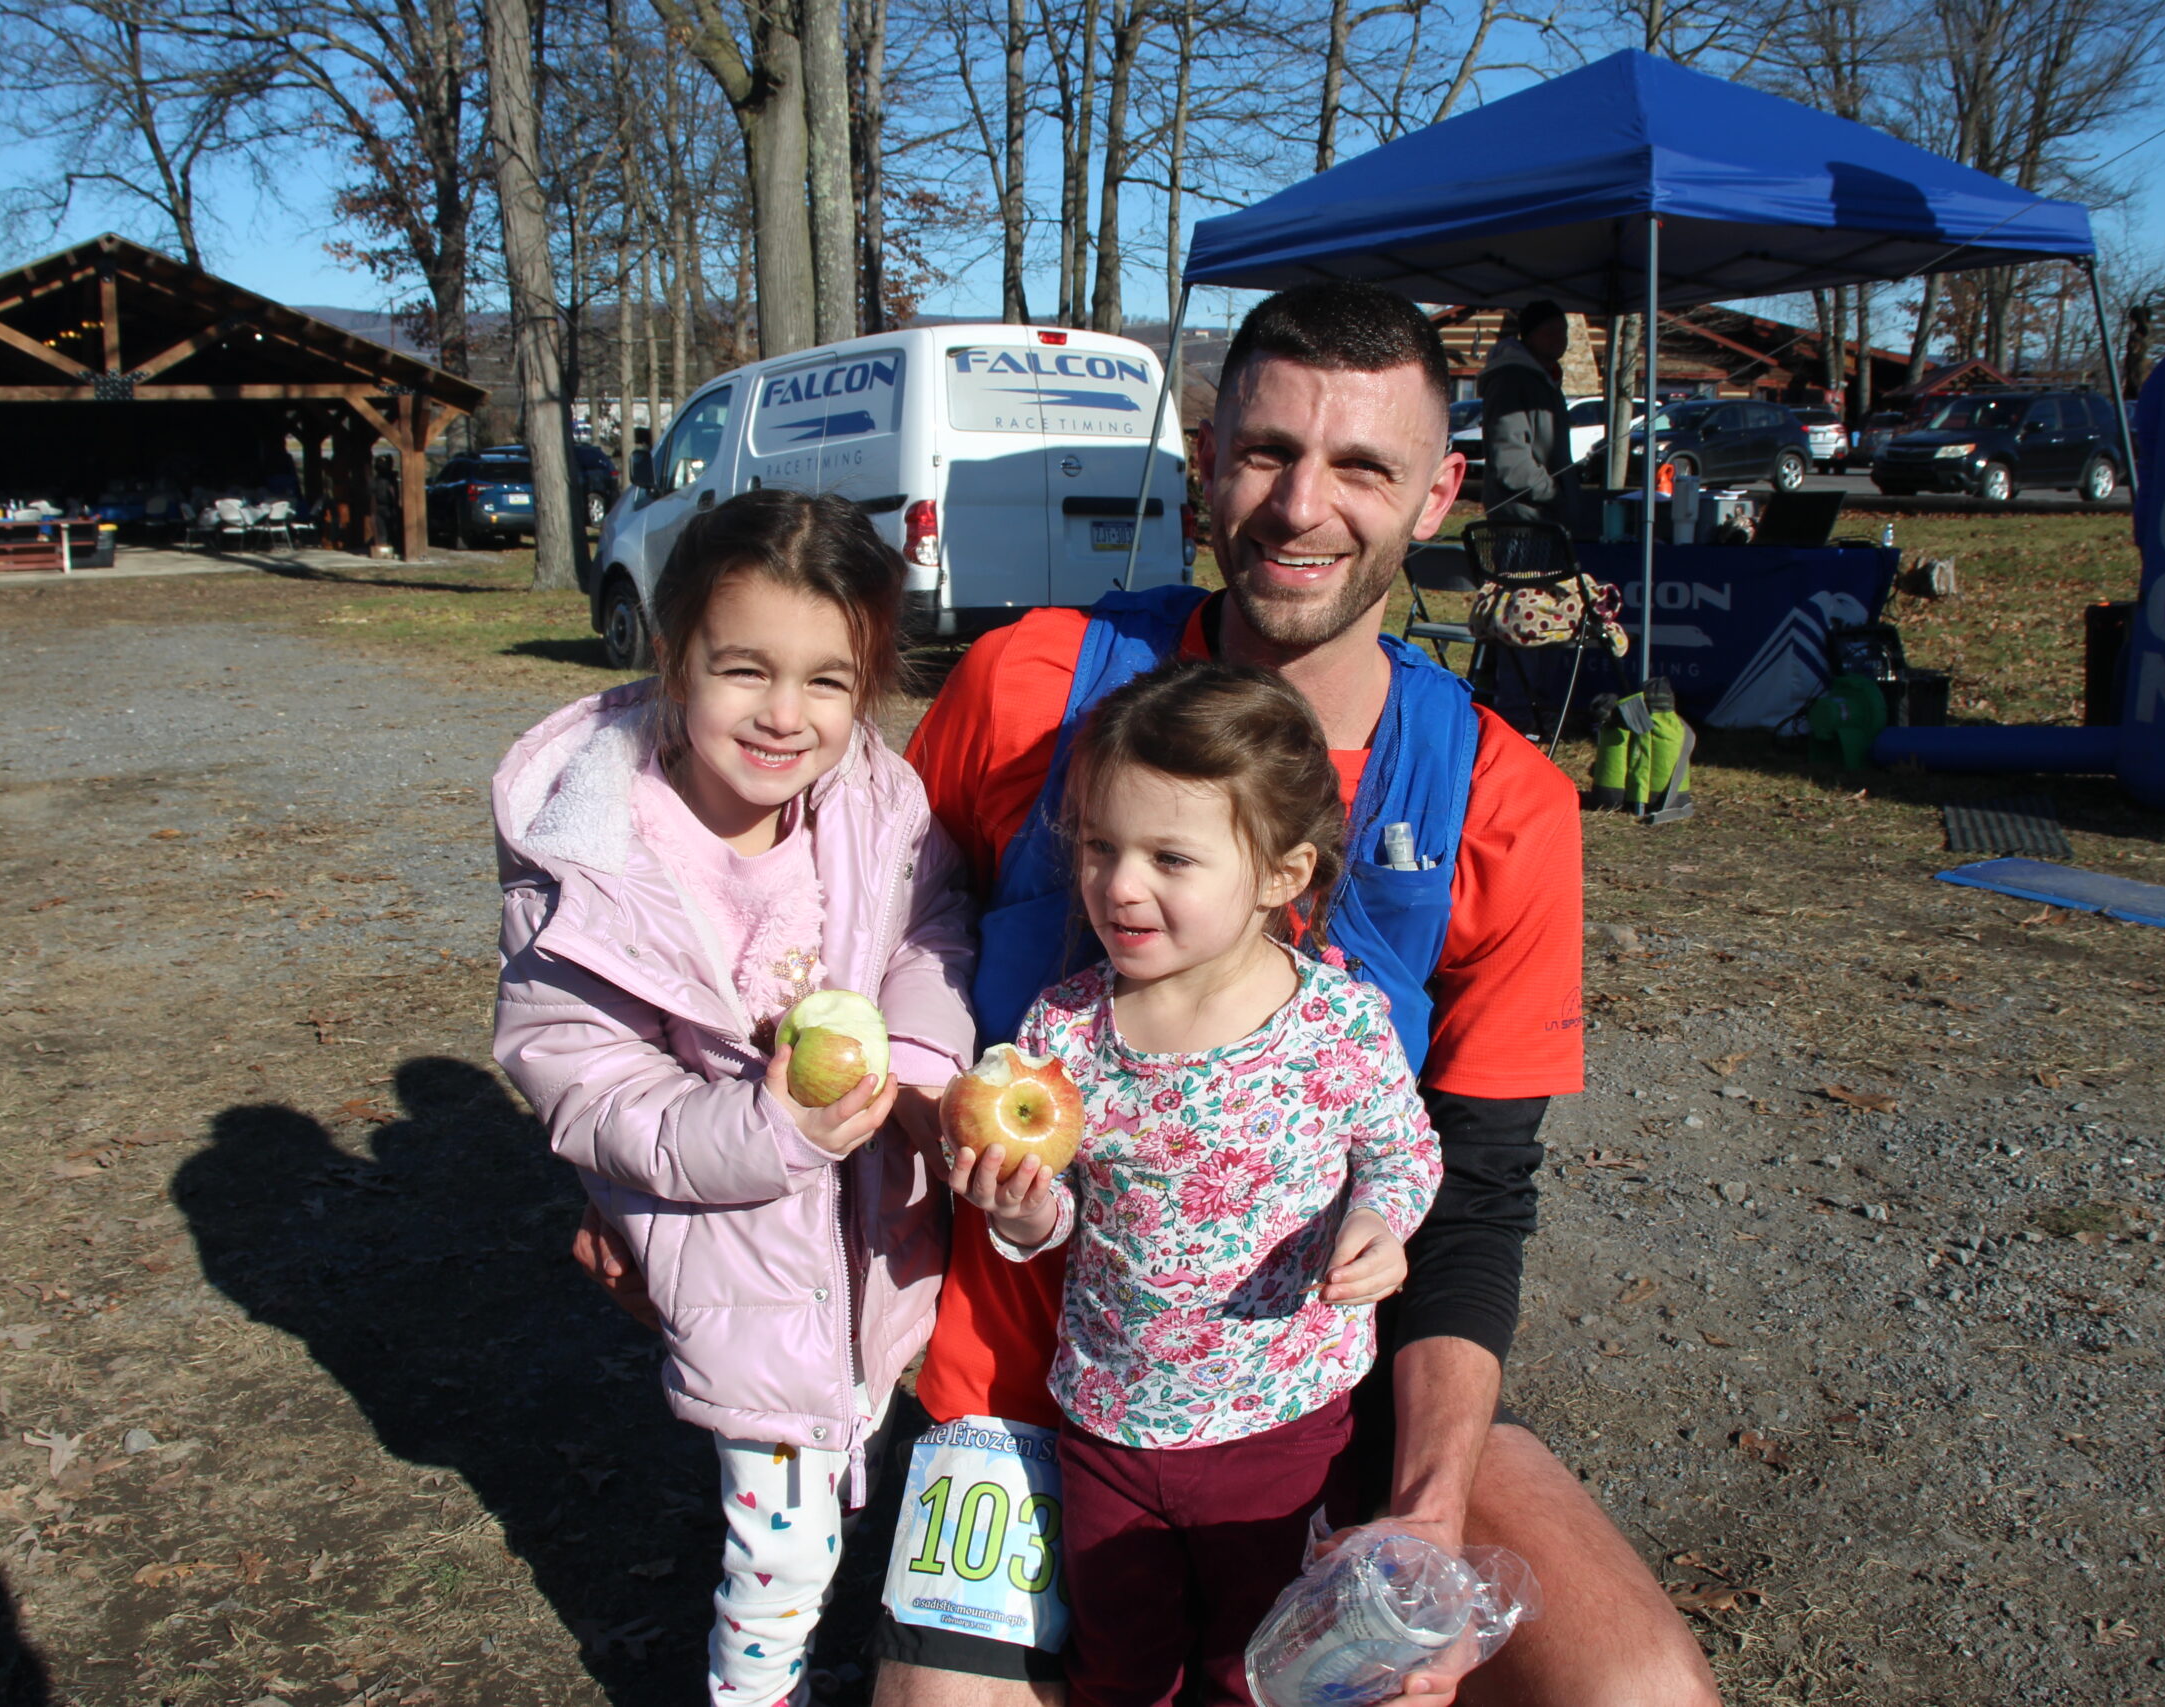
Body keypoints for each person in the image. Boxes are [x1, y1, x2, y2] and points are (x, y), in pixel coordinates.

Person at [579, 283, 1719, 1707]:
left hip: (1322, 1391)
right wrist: (658, 1172)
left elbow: (1477, 1187)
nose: (1300, 507)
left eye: (1362, 466)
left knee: (1639, 1688)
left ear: (1439, 494)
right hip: (1019, 1390)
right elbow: (791, 931)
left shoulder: (1504, 799)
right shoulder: (1031, 684)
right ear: (1203, 458)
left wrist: (1425, 1503)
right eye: (1264, 452)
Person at [492, 488, 977, 1706]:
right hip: (736, 1253)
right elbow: (589, 1085)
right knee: (783, 1551)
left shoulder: (874, 801)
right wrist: (769, 1130)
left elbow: (929, 936)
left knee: (850, 1457)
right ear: (673, 657)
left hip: (866, 1241)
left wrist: (916, 1074)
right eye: (745, 670)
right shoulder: (595, 859)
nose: (784, 715)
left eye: (828, 680)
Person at [950, 658, 1441, 1706]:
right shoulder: (1063, 1030)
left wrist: (1382, 1224)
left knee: (1255, 1665)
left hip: (1283, 1423)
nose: (1119, 885)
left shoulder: (1337, 1026)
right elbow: (1067, 1201)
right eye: (1097, 846)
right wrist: (1027, 1215)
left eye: (1170, 857)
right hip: (1108, 1419)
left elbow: (1404, 1152)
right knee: (1119, 1660)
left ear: (1281, 873)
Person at [1476, 298, 1582, 543]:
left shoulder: (1547, 381)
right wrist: (1555, 493)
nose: (1559, 338)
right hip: (1522, 523)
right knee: (1523, 583)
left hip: (1546, 521)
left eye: (1563, 331)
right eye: (1549, 332)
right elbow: (1510, 462)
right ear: (1529, 336)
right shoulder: (1511, 381)